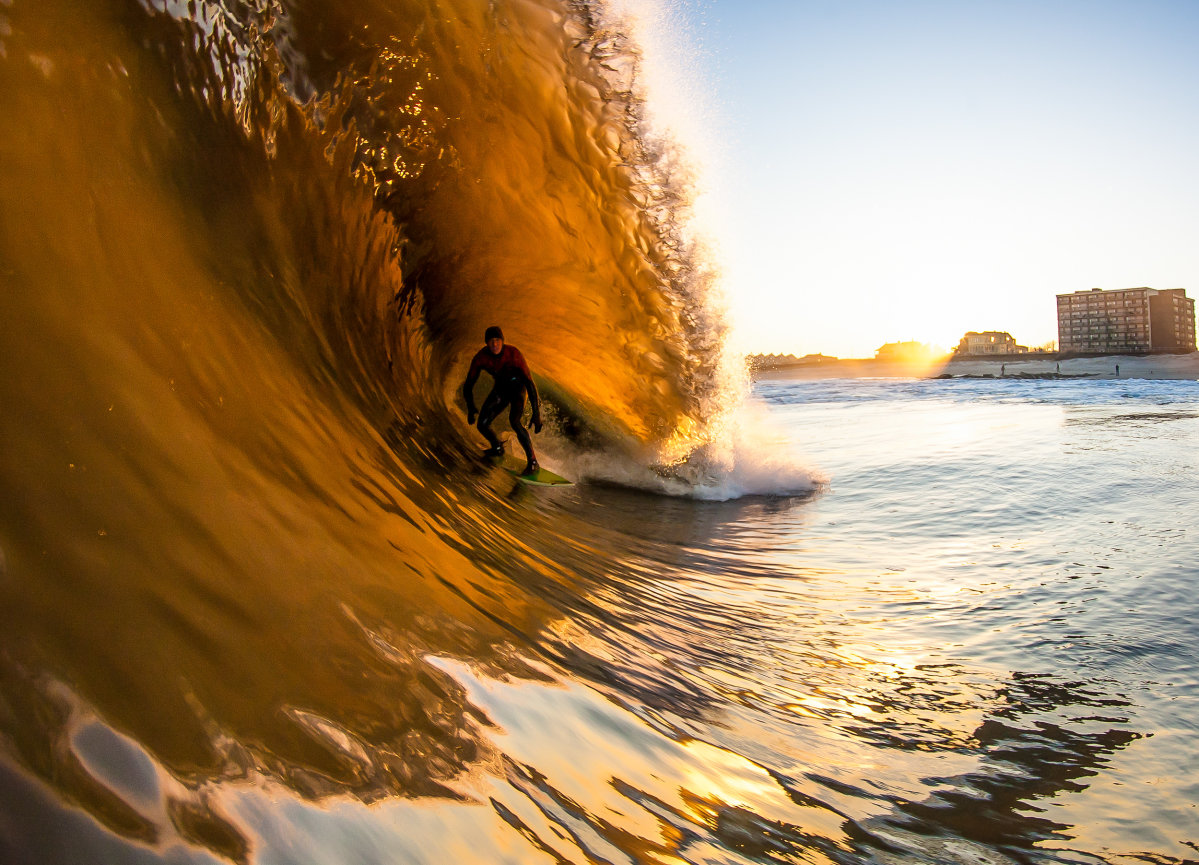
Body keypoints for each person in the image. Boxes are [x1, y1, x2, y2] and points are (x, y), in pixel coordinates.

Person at [462, 326, 542, 475]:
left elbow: (529, 384)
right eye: (491, 341)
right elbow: (468, 384)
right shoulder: (481, 358)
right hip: (500, 390)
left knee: (515, 422)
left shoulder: (513, 354)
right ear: (486, 343)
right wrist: (471, 407)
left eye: (497, 340)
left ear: (502, 341)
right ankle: (497, 448)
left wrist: (536, 414)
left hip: (518, 389)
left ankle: (533, 462)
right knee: (482, 424)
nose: (494, 344)